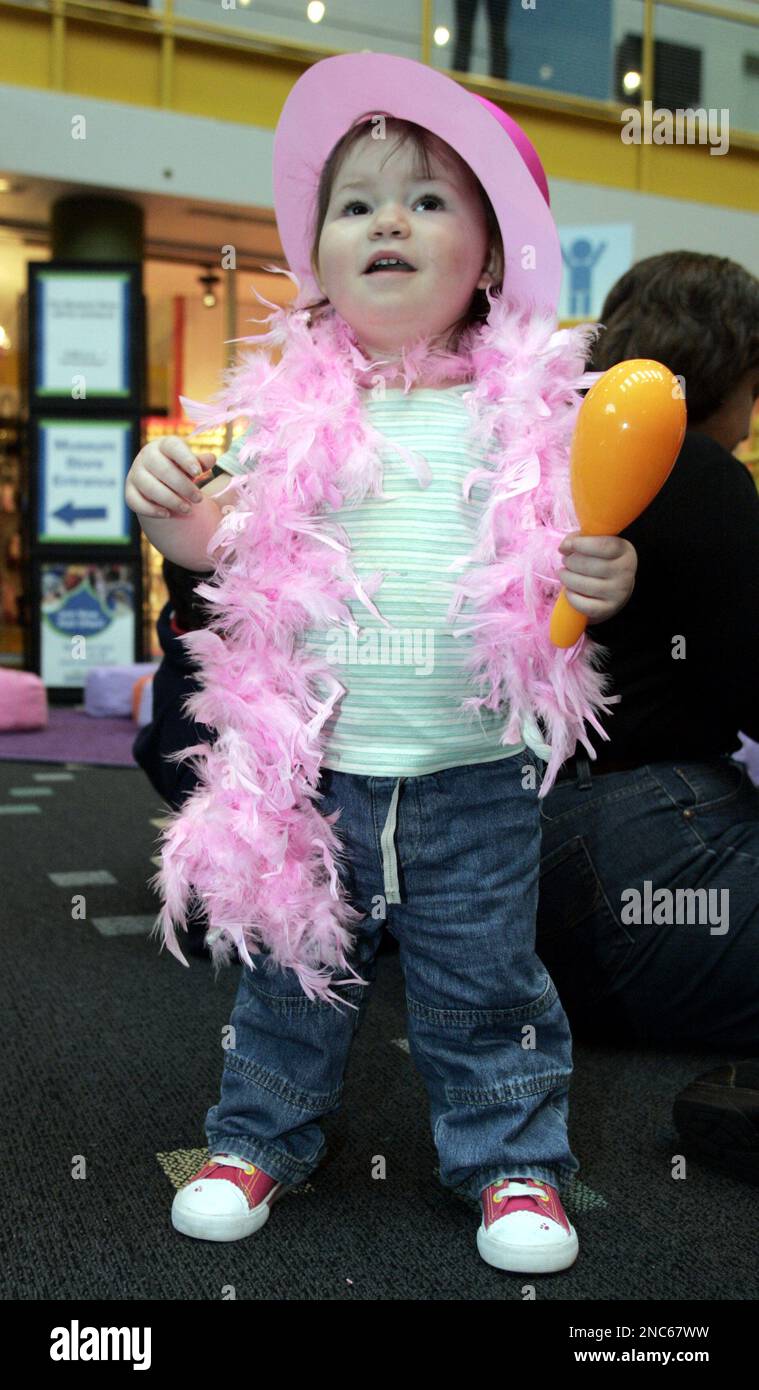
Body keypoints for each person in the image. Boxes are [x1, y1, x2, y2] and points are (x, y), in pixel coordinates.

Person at [125, 52, 637, 1275]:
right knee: (289, 977)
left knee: (487, 984)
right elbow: (224, 539)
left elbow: (581, 559)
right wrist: (167, 511)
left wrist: (606, 579)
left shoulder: (528, 414)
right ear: (323, 257)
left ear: (493, 255)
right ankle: (256, 1135)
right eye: (356, 205)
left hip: (475, 776)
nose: (387, 222)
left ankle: (512, 1160)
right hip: (315, 775)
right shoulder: (300, 413)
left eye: (426, 200)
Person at [534, 252, 759, 1184]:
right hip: (651, 838)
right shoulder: (700, 469)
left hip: (503, 881)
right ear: (723, 372)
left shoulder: (527, 448)